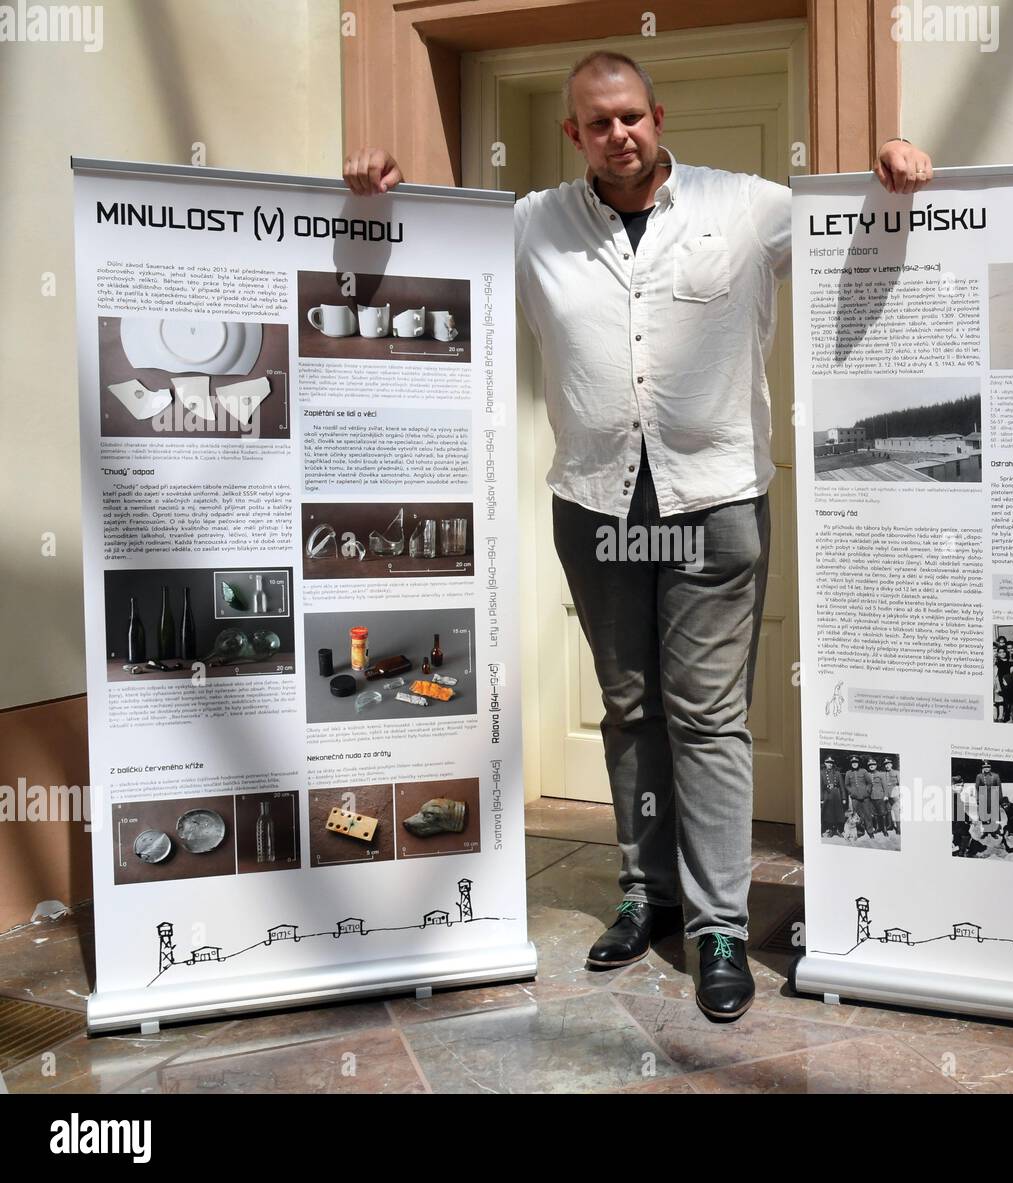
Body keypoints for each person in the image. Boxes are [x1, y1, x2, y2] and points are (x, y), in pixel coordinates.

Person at [346, 52, 935, 1020]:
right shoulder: (532, 221)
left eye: (630, 116)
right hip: (597, 504)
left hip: (713, 505)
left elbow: (858, 221)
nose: (618, 134)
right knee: (629, 708)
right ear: (572, 134)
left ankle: (714, 925)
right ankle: (645, 890)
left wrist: (898, 169)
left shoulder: (744, 205)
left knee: (707, 716)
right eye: (596, 122)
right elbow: (416, 246)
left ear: (655, 116)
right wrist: (370, 194)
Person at [844, 755, 874, 839]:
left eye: (856, 762)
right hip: (855, 798)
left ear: (858, 763)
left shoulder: (864, 771)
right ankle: (860, 830)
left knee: (867, 815)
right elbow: (847, 785)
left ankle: (870, 831)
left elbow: (869, 783)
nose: (854, 764)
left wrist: (867, 792)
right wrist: (851, 792)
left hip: (865, 797)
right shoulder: (848, 773)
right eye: (853, 762)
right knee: (857, 815)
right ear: (851, 764)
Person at [820, 754, 846, 839]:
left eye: (831, 762)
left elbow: (842, 787)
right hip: (827, 795)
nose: (830, 764)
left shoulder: (837, 773)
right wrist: (821, 798)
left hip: (837, 795)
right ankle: (831, 830)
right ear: (825, 763)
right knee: (829, 814)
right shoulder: (821, 773)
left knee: (838, 813)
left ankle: (838, 830)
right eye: (828, 762)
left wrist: (844, 798)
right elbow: (820, 787)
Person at [974, 761, 1002, 836]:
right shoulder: (979, 776)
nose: (987, 769)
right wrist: (978, 799)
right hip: (983, 798)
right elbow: (977, 788)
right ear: (983, 768)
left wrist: (1000, 799)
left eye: (988, 767)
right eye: (985, 767)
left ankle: (994, 831)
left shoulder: (996, 776)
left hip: (994, 797)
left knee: (993, 815)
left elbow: (999, 788)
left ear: (990, 768)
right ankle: (985, 831)